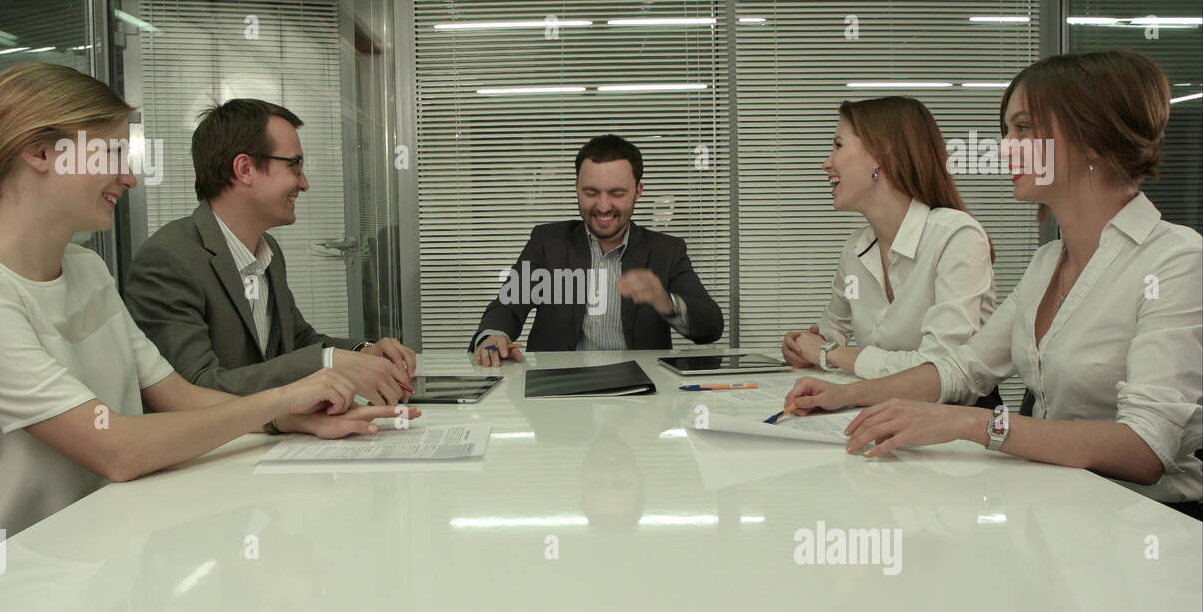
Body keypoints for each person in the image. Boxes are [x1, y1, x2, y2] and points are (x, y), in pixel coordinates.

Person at [0, 63, 416, 581]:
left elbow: (179, 395)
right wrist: (284, 398)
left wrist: (293, 419)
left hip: (98, 562)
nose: (128, 177)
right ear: (38, 153)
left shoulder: (86, 269)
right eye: (109, 154)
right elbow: (117, 449)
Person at [784, 50, 1202, 507]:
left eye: (1023, 129)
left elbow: (1146, 448)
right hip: (1061, 506)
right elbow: (963, 369)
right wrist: (845, 396)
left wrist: (973, 424)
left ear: (1093, 138)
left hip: (1150, 519)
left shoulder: (1175, 259)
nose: (1003, 149)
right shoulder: (1047, 262)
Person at [125, 98, 416, 405]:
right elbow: (196, 390)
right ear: (245, 169)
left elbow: (296, 342)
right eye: (294, 165)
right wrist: (328, 362)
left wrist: (363, 352)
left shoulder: (267, 251)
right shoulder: (168, 259)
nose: (304, 184)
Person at [781, 97, 997, 397]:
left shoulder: (957, 237)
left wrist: (829, 353)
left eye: (838, 145)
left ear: (880, 154)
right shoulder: (856, 250)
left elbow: (938, 371)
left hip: (954, 419)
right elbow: (831, 334)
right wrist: (801, 347)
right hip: (879, 409)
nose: (826, 163)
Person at [470, 134, 724, 366]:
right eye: (591, 192)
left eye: (617, 194)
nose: (603, 207)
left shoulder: (666, 251)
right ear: (577, 188)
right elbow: (507, 306)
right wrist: (493, 336)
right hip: (556, 389)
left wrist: (667, 302)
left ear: (638, 191)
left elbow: (711, 327)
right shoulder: (547, 243)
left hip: (644, 392)